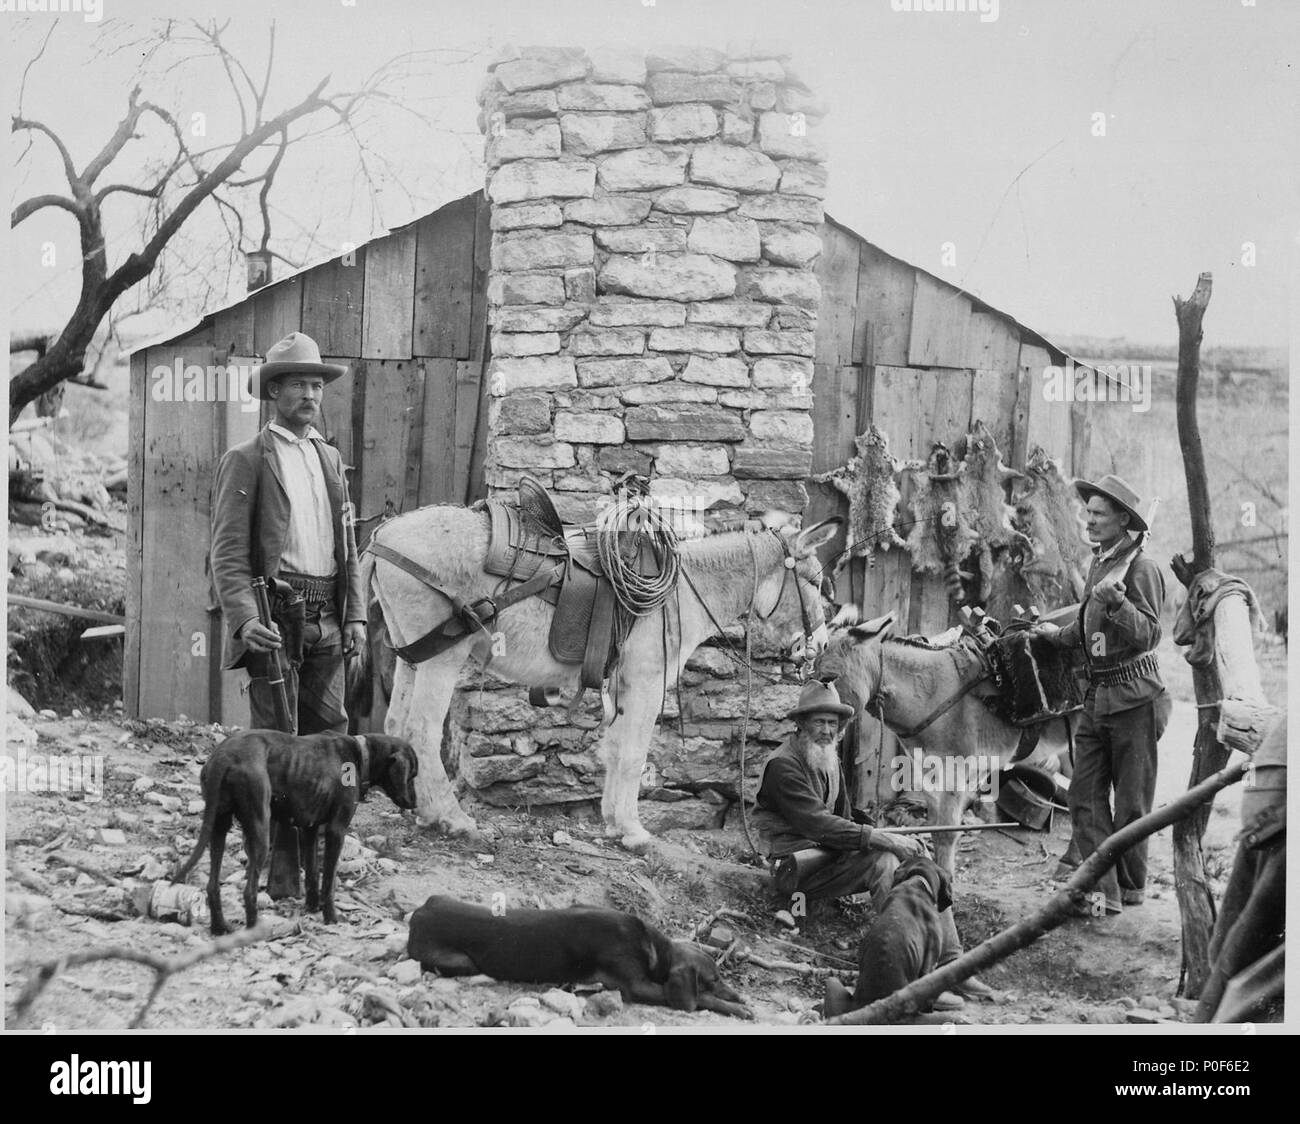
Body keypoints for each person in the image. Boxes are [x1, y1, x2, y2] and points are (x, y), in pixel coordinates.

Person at [209, 331, 366, 897]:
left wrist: (355, 617)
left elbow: (346, 546)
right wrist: (245, 617)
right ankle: (278, 875)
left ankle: (327, 864)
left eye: (316, 384)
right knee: (276, 749)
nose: (310, 393)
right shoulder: (247, 460)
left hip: (328, 613)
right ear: (274, 391)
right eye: (298, 383)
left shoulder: (329, 457)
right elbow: (227, 553)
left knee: (333, 742)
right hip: (275, 621)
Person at [752, 678, 989, 1003]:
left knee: (918, 863)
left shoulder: (827, 758)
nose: (825, 730)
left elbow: (846, 818)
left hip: (825, 857)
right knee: (885, 862)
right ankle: (904, 975)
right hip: (793, 870)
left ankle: (953, 964)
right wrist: (882, 840)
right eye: (818, 722)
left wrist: (887, 833)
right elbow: (819, 824)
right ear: (801, 724)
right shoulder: (783, 766)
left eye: (831, 723)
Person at [1031, 474, 1170, 916]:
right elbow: (1087, 627)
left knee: (1132, 804)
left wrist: (1119, 604)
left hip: (1135, 700)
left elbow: (1149, 635)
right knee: (1083, 795)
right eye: (1087, 512)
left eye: (1097, 514)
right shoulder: (1101, 563)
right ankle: (1105, 890)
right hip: (1095, 699)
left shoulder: (1142, 569)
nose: (1087, 520)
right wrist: (1054, 636)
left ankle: (1130, 888)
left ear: (1123, 519)